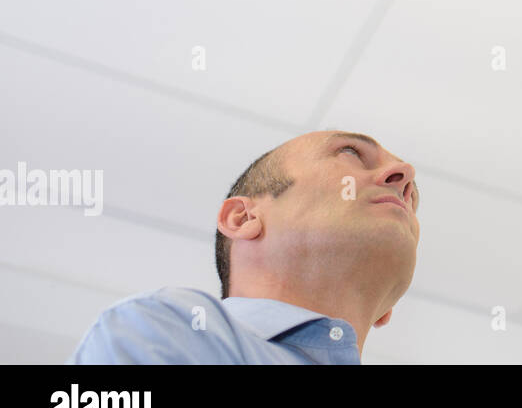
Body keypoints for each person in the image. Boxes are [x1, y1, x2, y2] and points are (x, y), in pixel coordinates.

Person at [70, 130, 419, 364]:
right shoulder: (163, 329)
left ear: (387, 309)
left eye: (412, 200)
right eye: (350, 152)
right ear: (242, 218)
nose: (404, 175)